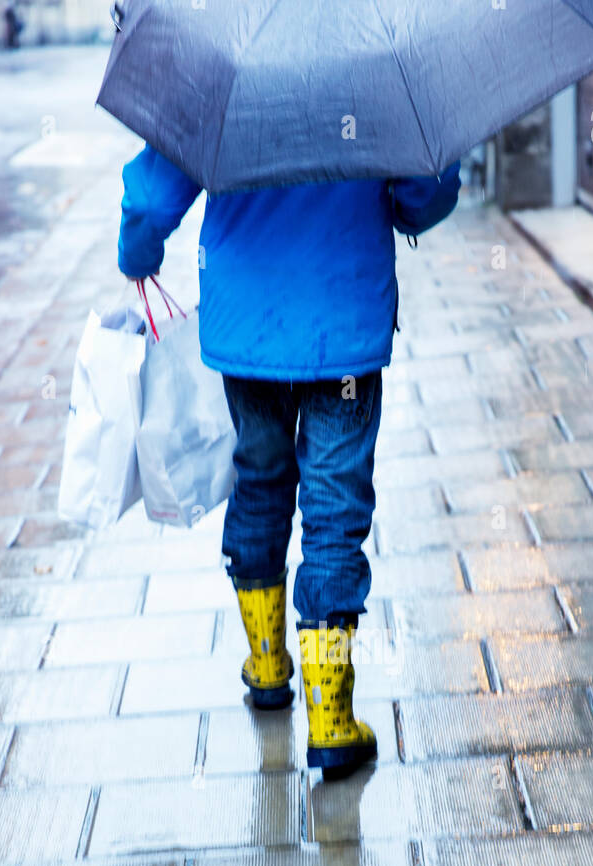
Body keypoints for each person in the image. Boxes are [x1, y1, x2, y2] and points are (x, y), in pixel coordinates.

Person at [118, 148, 460, 779]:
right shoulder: (371, 61)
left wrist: (137, 257)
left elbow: (148, 200)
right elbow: (426, 193)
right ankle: (331, 719)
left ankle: (269, 664)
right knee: (335, 508)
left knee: (261, 479)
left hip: (247, 329)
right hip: (345, 322)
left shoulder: (220, 60)